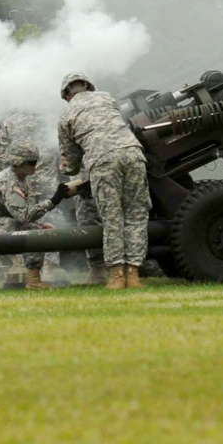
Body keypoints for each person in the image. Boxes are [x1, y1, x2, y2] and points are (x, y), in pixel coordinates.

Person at [58, 71, 150, 288]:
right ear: (89, 87)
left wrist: (69, 168)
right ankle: (134, 275)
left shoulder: (66, 115)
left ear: (66, 94)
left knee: (112, 218)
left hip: (102, 161)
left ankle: (117, 276)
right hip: (134, 154)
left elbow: (70, 163)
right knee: (136, 215)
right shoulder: (108, 98)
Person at [0, 142, 59, 290]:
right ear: (19, 162)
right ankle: (33, 280)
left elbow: (18, 212)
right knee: (35, 233)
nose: (35, 165)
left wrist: (39, 223)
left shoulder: (17, 178)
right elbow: (23, 216)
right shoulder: (10, 181)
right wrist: (53, 201)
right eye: (31, 162)